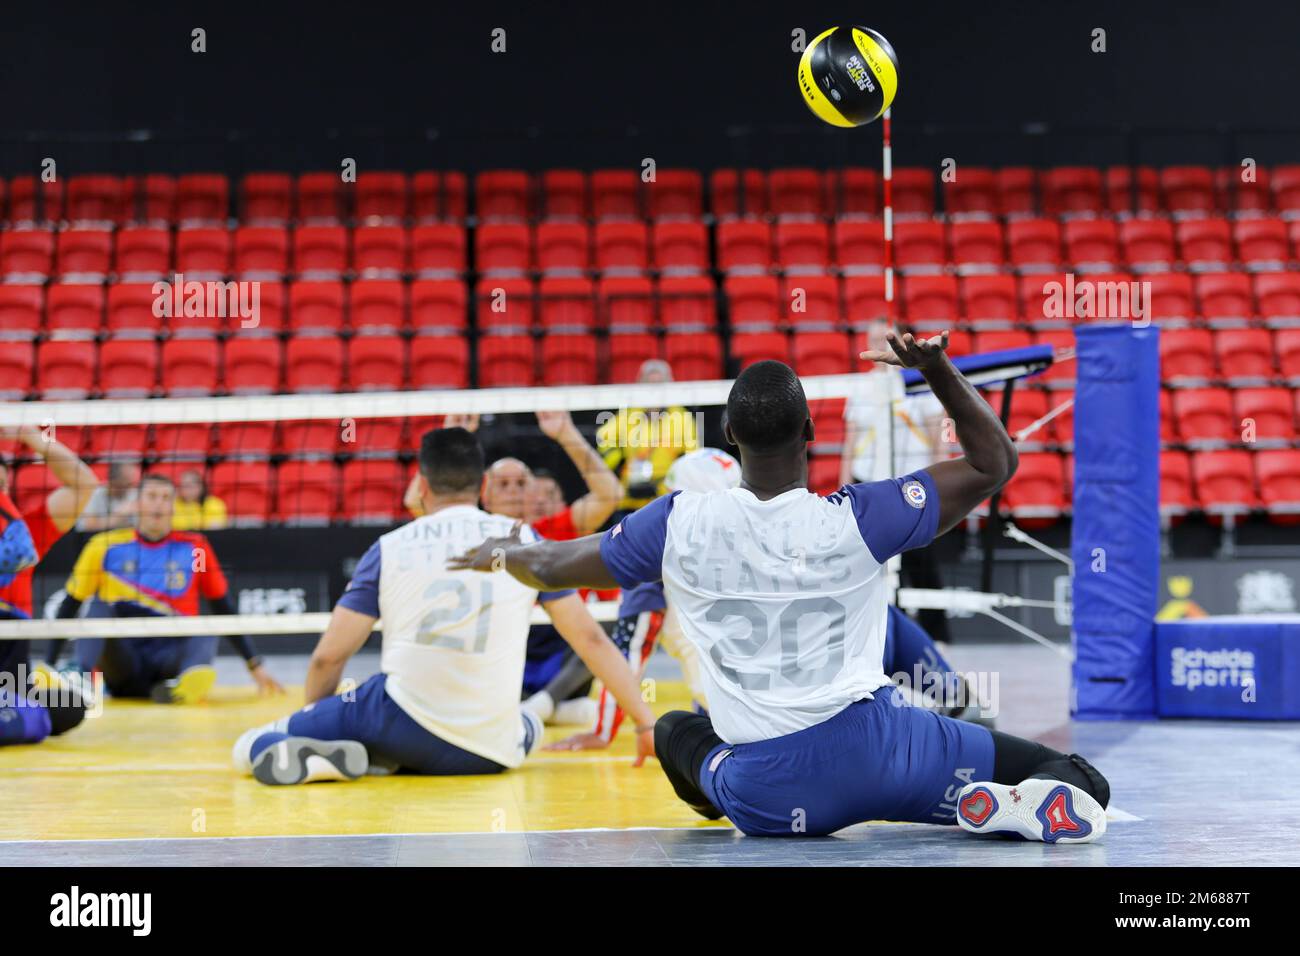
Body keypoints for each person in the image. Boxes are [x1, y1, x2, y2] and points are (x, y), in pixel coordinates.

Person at [452, 337, 1110, 844]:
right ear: (811, 436)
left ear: (730, 437)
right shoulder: (859, 517)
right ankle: (1007, 805)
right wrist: (935, 370)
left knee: (679, 729)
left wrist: (498, 551)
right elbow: (995, 463)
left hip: (768, 790)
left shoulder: (678, 521)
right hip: (887, 753)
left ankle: (718, 790)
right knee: (1077, 778)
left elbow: (551, 565)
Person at [231, 427, 657, 785]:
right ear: (484, 487)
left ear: (422, 486)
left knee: (244, 747)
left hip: (398, 720)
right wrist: (644, 722)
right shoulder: (524, 541)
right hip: (489, 752)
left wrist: (318, 713)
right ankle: (376, 757)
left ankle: (334, 754)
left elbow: (329, 656)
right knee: (529, 724)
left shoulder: (389, 547)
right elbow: (591, 640)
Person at [548, 447, 991, 753]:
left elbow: (623, 648)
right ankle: (950, 709)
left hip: (754, 719)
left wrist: (615, 728)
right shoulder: (800, 525)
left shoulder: (676, 538)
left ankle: (949, 709)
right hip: (812, 706)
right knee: (876, 619)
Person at [47, 474, 283, 704]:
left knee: (208, 623)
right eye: (151, 496)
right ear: (137, 503)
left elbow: (221, 605)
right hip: (124, 661)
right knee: (97, 606)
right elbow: (71, 604)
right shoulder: (104, 546)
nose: (158, 504)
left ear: (173, 507)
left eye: (165, 498)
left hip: (170, 658)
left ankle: (183, 683)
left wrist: (254, 664)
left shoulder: (196, 550)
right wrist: (49, 663)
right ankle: (80, 676)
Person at [843, 320, 952, 643]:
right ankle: (881, 637)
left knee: (922, 561)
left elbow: (937, 437)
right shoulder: (858, 387)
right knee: (874, 564)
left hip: (913, 484)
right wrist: (844, 486)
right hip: (872, 485)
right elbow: (850, 444)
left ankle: (936, 636)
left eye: (883, 339)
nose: (878, 345)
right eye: (872, 338)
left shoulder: (916, 381)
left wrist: (939, 483)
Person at [0, 425, 98, 745]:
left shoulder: (24, 534)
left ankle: (18, 706)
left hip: (9, 668)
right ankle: (18, 714)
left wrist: (30, 436)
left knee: (71, 707)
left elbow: (84, 484)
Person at [597, 359, 699, 511]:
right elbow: (602, 438)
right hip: (631, 499)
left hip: (667, 500)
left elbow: (693, 457)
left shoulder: (682, 417)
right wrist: (619, 464)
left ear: (669, 386)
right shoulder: (627, 415)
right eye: (649, 384)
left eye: (659, 384)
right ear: (640, 386)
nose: (654, 390)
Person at [75, 460, 141, 532]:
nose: (130, 488)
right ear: (114, 482)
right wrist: (118, 516)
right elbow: (89, 525)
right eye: (127, 484)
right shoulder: (94, 494)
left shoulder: (134, 494)